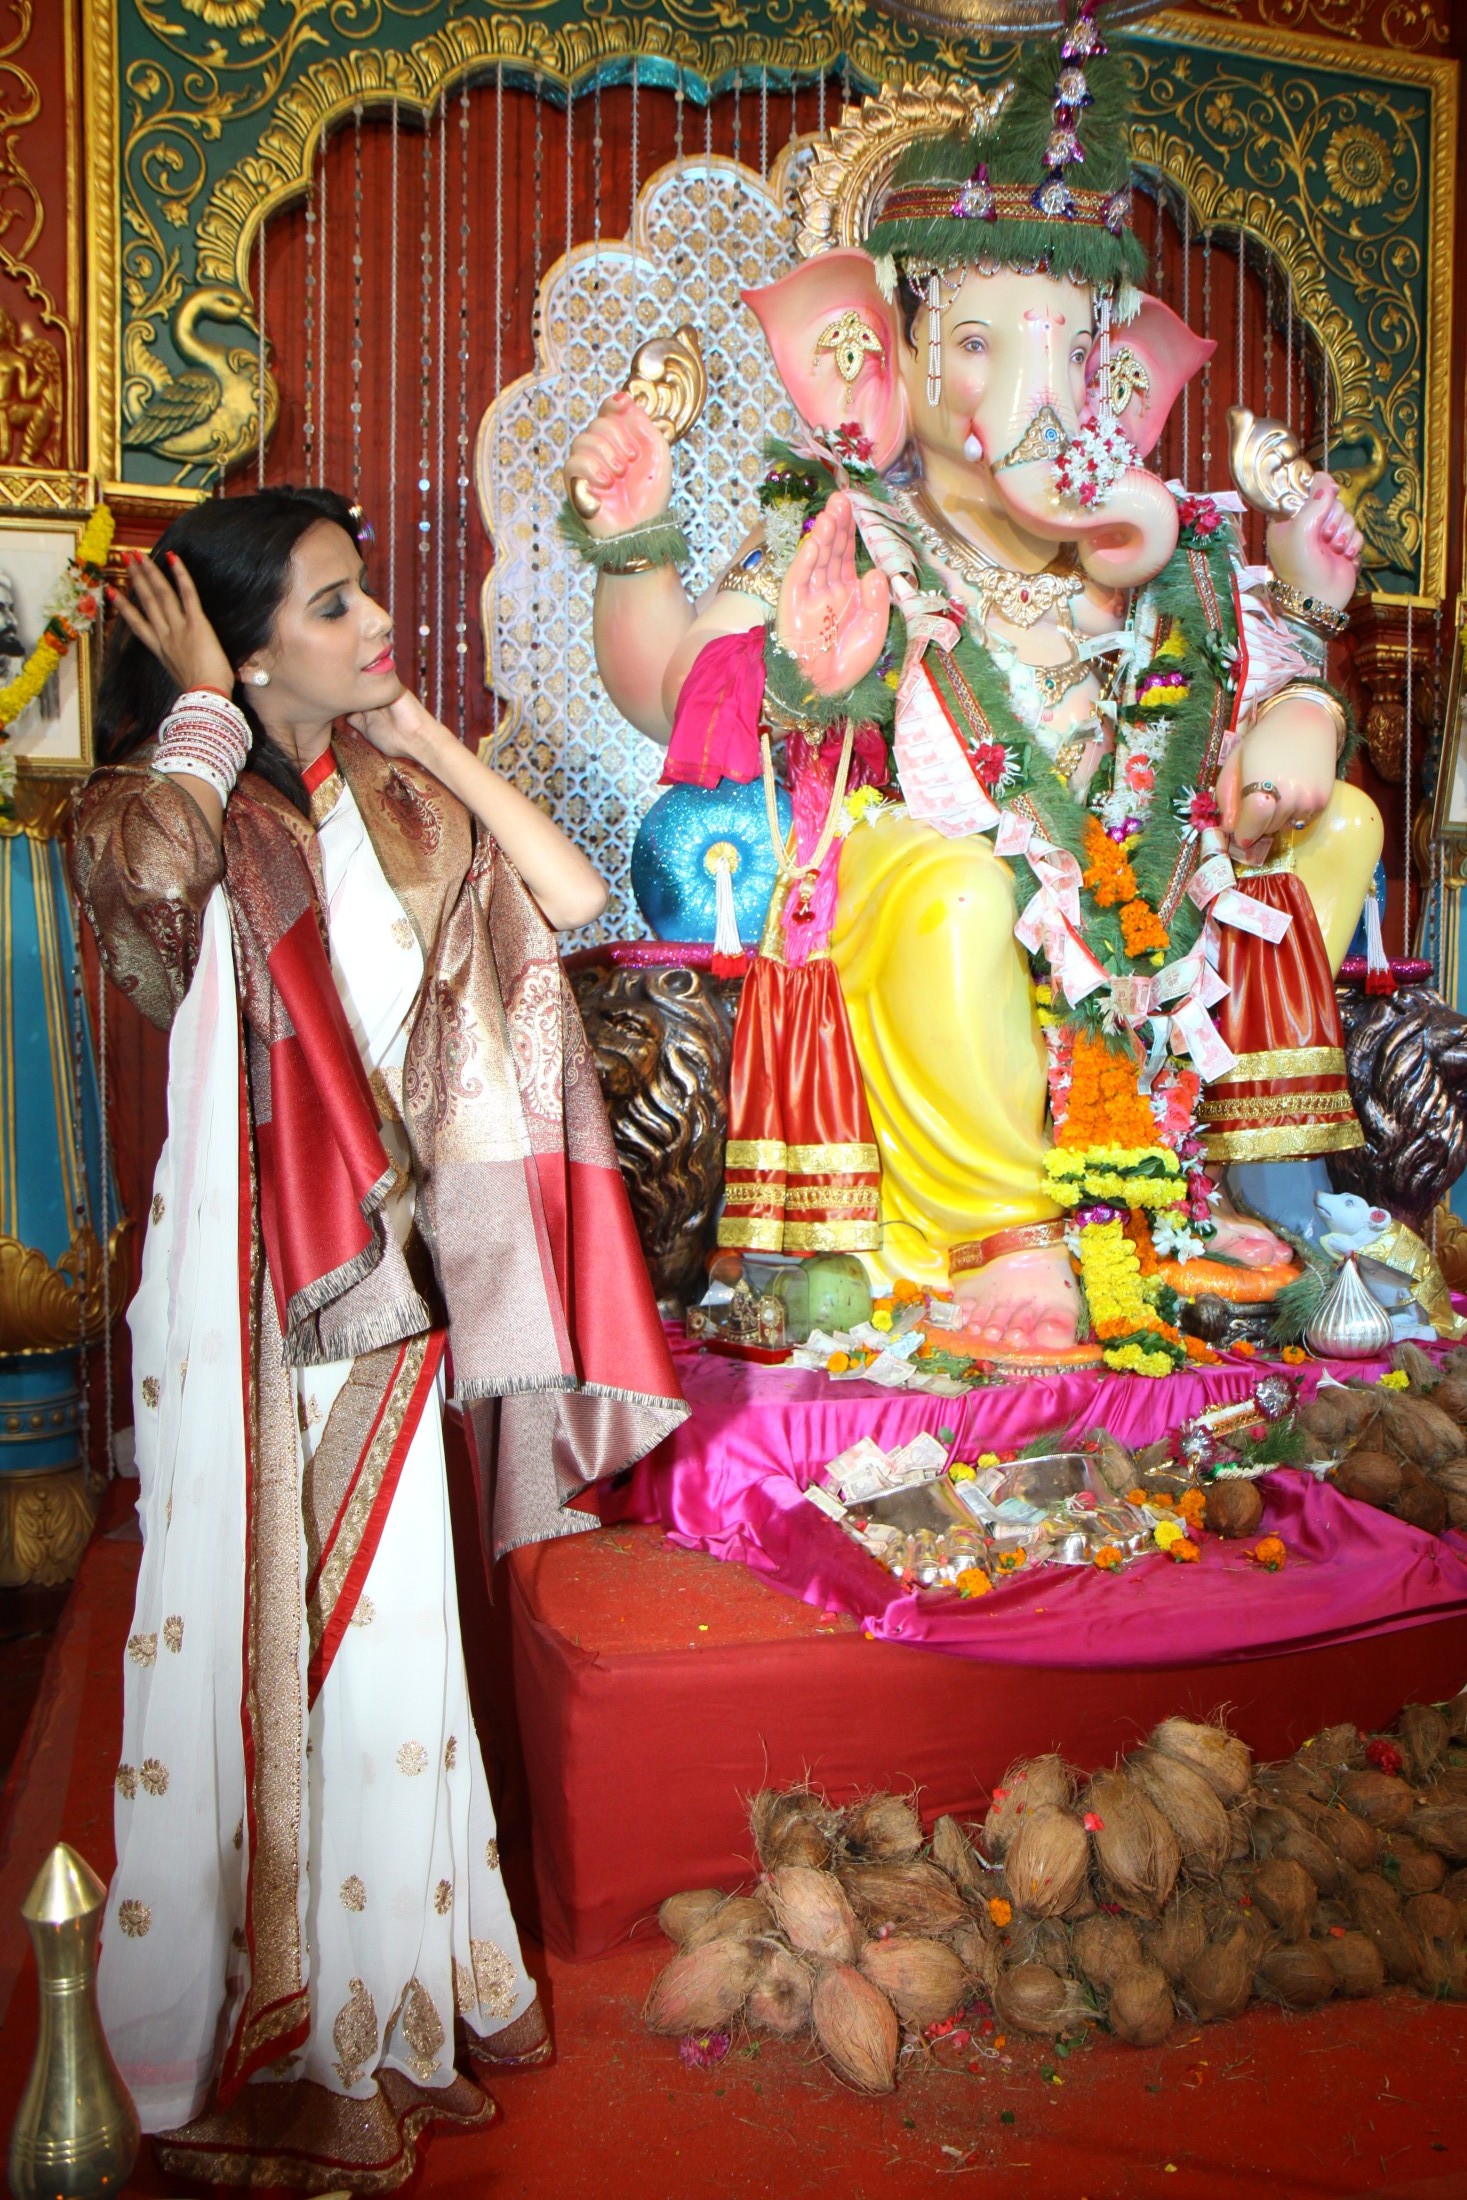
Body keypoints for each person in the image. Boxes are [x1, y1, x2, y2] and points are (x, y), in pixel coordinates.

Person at [71, 487, 686, 2188]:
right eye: (337, 608)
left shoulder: (398, 802)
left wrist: (413, 724)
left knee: (397, 1636)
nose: (378, 622)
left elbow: (559, 896)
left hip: (392, 1280)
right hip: (254, 1294)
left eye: (372, 596)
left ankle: (396, 2007)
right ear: (246, 642)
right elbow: (142, 902)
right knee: (274, 1631)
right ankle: (273, 2026)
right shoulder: (179, 803)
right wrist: (208, 705)